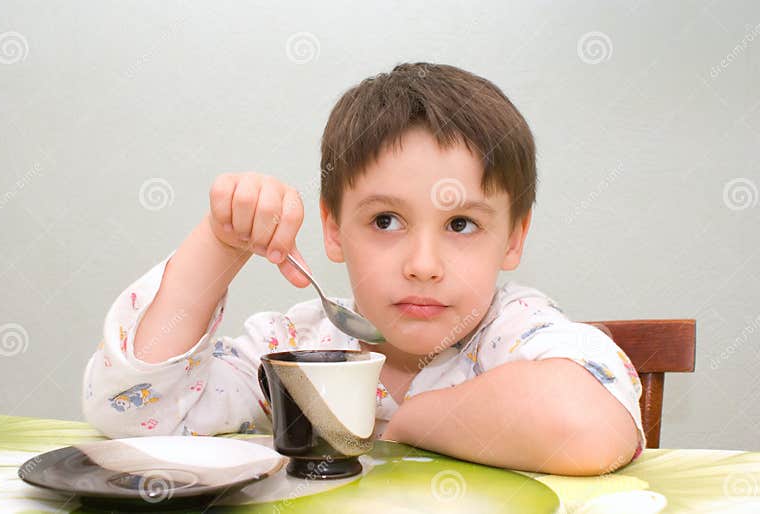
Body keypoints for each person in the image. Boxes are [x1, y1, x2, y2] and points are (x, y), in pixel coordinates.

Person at [82, 62, 645, 476]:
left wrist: (400, 423)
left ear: (513, 238)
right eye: (385, 221)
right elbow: (134, 412)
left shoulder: (516, 331)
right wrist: (220, 245)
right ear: (333, 229)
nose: (423, 266)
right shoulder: (296, 348)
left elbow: (586, 425)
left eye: (460, 224)